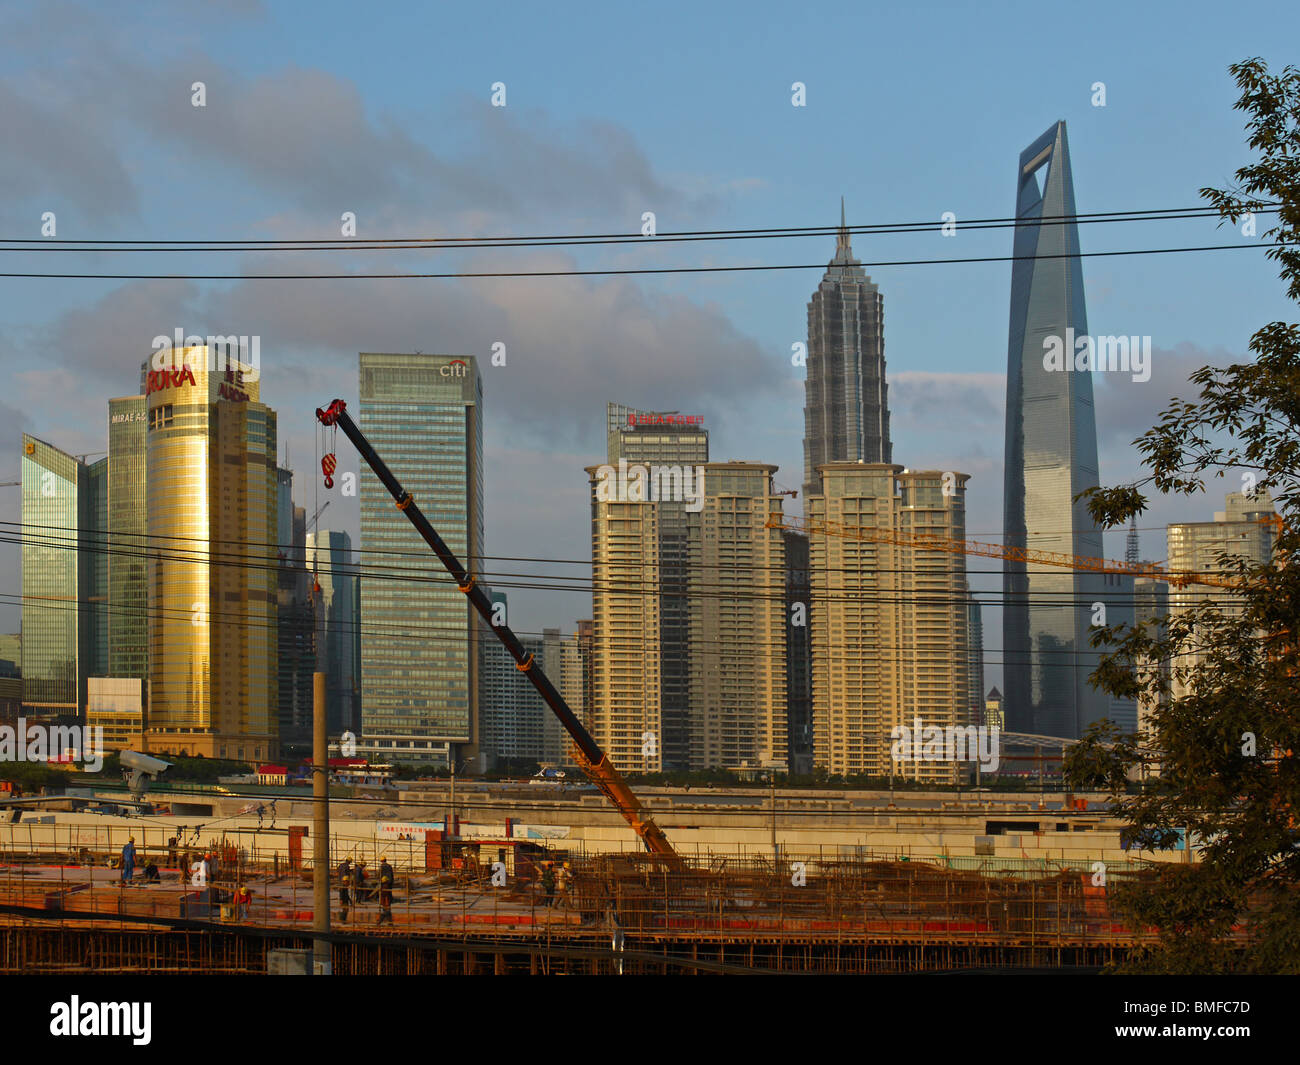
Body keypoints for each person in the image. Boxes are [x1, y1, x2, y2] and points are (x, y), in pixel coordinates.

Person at [378, 858, 394, 925]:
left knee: (385, 908)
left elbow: (379, 875)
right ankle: (389, 921)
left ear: (381, 861)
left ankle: (382, 920)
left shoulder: (381, 867)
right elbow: (392, 876)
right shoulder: (389, 866)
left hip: (384, 885)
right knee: (387, 907)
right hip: (389, 884)